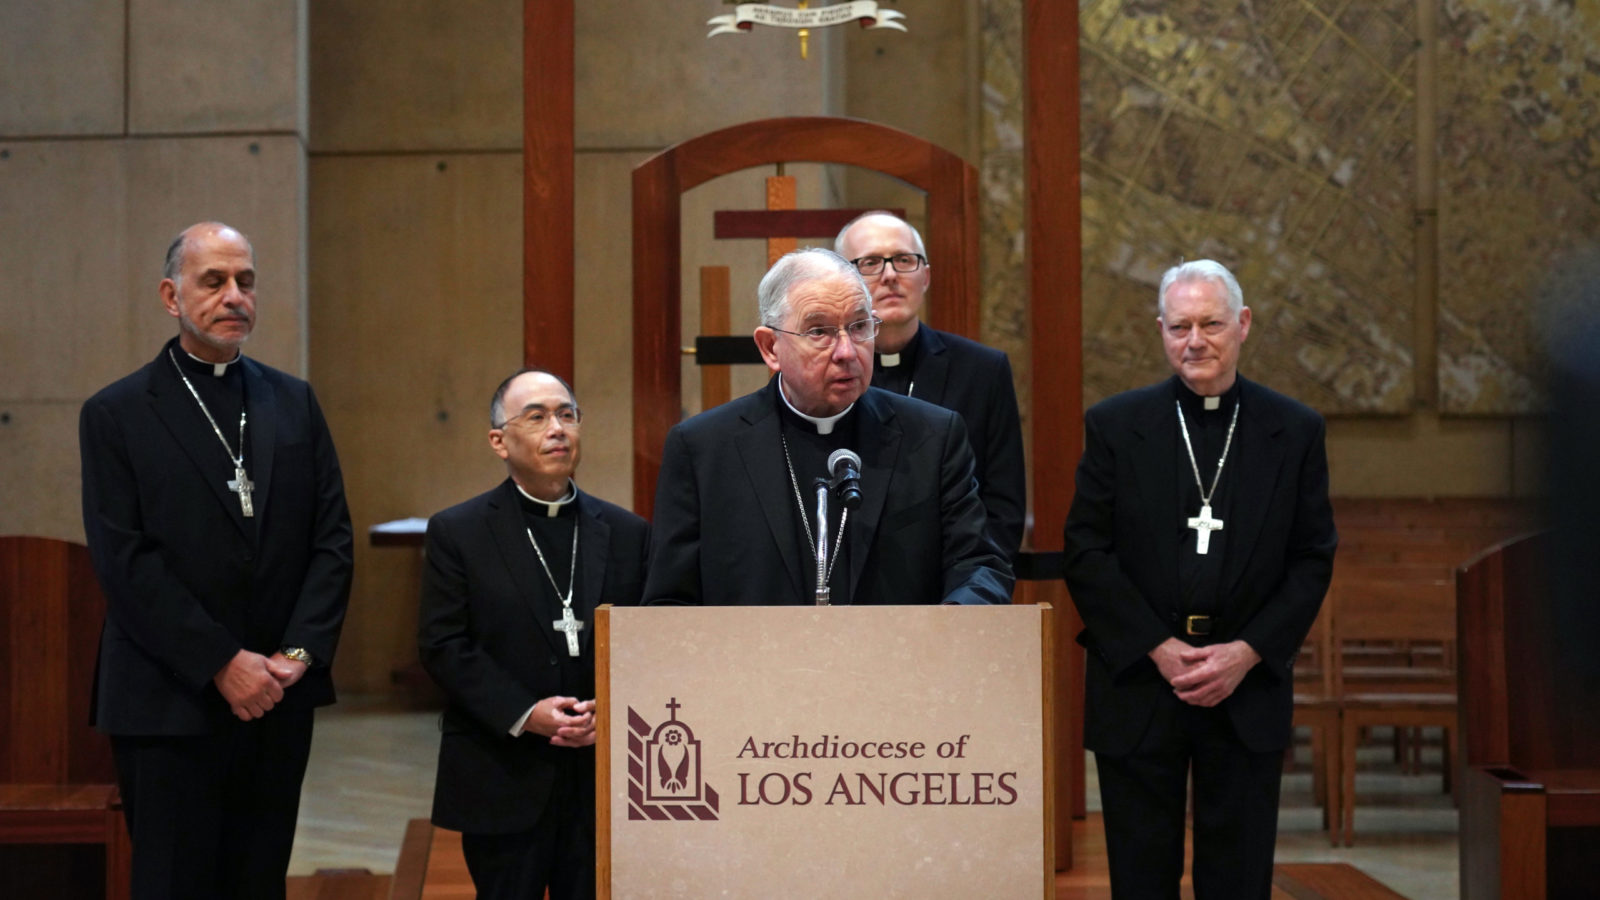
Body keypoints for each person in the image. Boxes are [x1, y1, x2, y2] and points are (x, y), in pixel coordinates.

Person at [79, 221, 354, 899]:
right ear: (171, 296)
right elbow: (125, 562)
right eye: (214, 281)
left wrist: (297, 654)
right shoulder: (117, 413)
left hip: (278, 696)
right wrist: (223, 663)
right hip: (169, 698)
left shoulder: (292, 401)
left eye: (246, 281)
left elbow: (331, 539)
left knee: (259, 881)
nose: (235, 296)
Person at [1062, 259, 1336, 898]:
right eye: (1179, 326)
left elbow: (1312, 556)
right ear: (1160, 329)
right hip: (1140, 681)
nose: (1195, 341)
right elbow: (1086, 550)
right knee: (1141, 879)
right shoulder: (1116, 425)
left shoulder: (1293, 430)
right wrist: (1157, 647)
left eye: (1210, 324)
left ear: (1242, 324)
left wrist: (1248, 652)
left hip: (1245, 685)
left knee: (1238, 880)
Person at [644, 247, 1012, 606]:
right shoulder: (703, 449)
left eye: (859, 327)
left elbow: (979, 565)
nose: (847, 352)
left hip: (901, 648)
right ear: (770, 347)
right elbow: (669, 600)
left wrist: (948, 625)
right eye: (819, 331)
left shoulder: (933, 437)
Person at [419, 369, 649, 900]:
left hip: (601, 776)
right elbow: (443, 645)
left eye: (567, 414)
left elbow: (648, 641)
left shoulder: (628, 533)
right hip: (502, 770)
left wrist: (611, 709)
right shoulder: (459, 532)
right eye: (537, 416)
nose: (557, 428)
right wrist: (525, 713)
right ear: (499, 441)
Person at [835, 211, 1025, 562]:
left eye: (904, 260)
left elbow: (1003, 508)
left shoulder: (982, 371)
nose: (890, 275)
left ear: (926, 276)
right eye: (871, 263)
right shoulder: (830, 370)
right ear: (842, 282)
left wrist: (971, 585)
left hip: (953, 581)